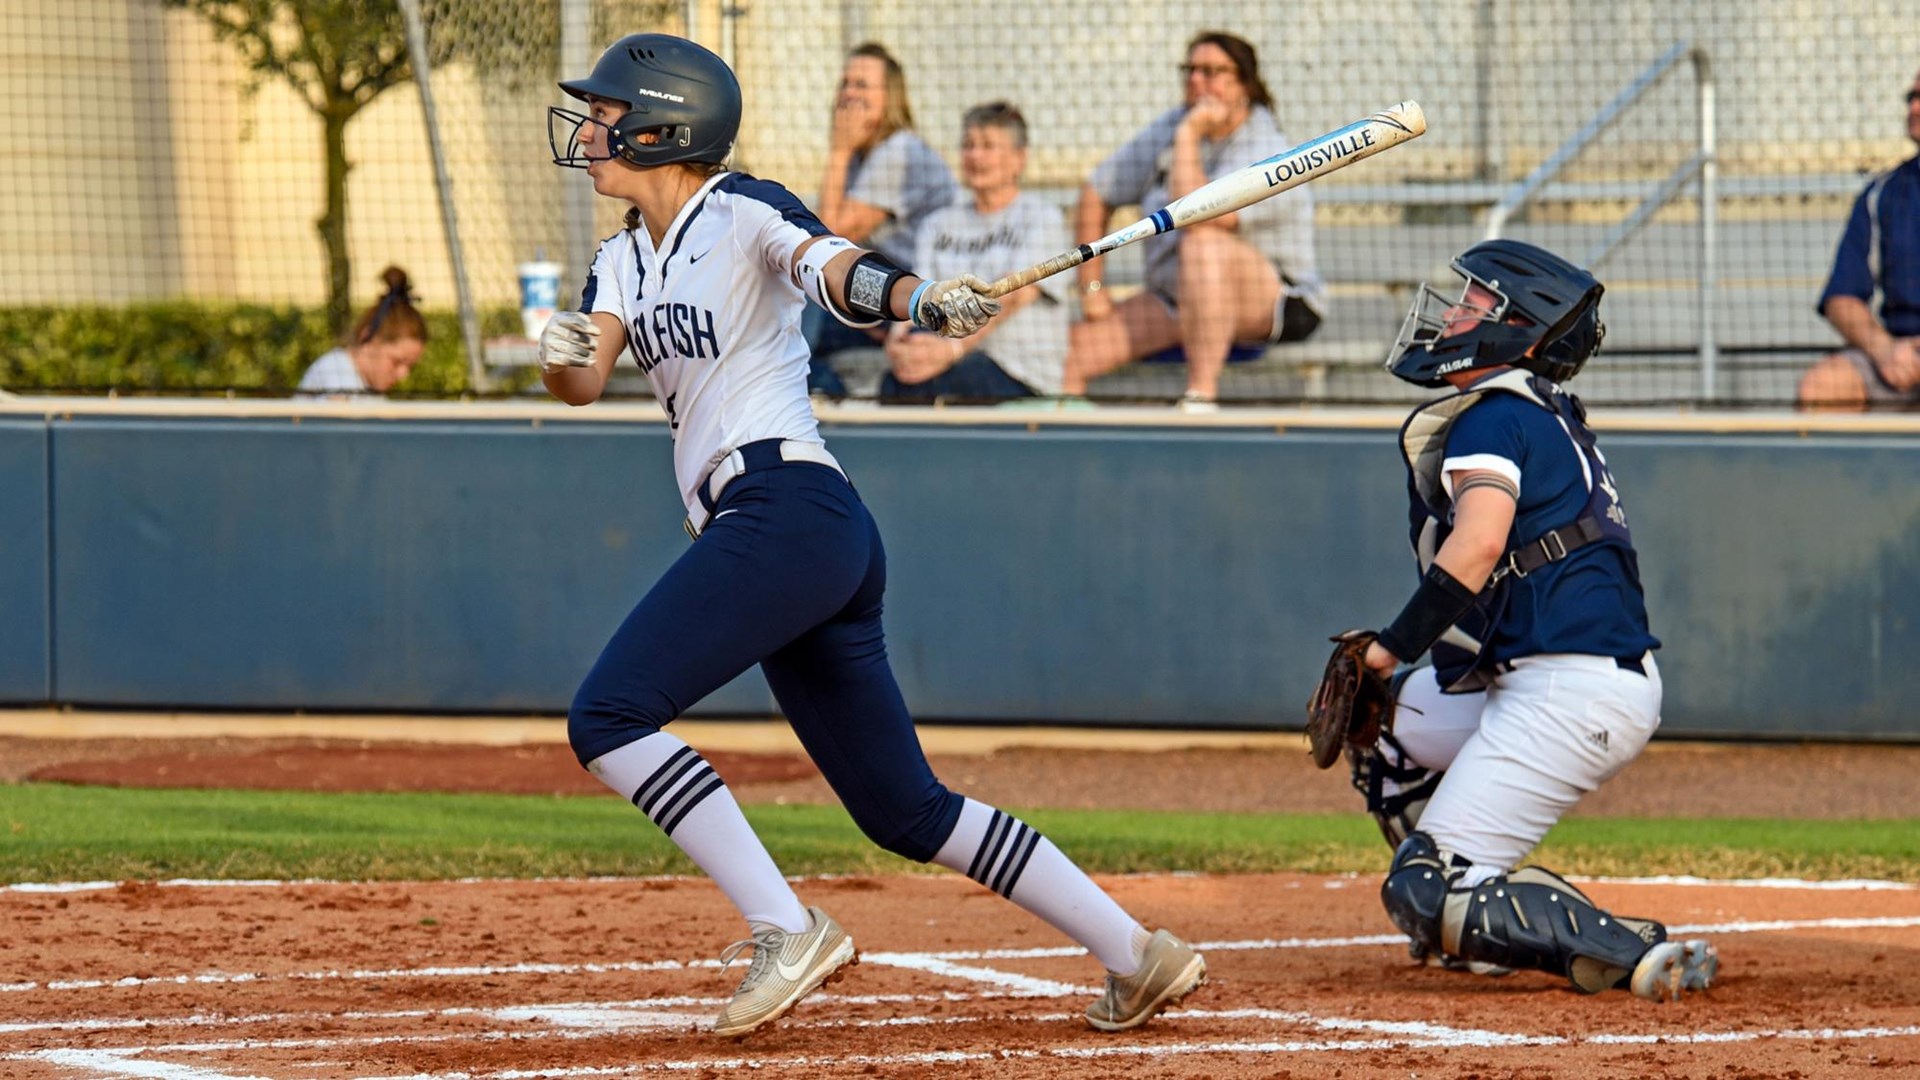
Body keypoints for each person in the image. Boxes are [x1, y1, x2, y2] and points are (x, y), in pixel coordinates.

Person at [540, 33, 1206, 1037]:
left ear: (661, 124)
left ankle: (785, 927)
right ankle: (1136, 953)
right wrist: (559, 347)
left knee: (609, 716)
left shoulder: (742, 210)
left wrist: (917, 297)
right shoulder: (620, 259)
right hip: (790, 533)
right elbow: (582, 378)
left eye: (604, 112)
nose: (589, 130)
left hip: (789, 511)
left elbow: (833, 268)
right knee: (906, 812)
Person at [1336, 239, 1718, 1001]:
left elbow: (1477, 546)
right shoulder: (1535, 414)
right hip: (1547, 678)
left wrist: (1390, 647)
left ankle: (1625, 947)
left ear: (1518, 328)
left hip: (1569, 694)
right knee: (1388, 728)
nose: (1454, 313)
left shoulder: (1496, 417)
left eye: (1476, 301)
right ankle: (1471, 919)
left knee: (1421, 888)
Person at [1063, 31, 1325, 411]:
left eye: (1212, 72)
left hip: (1277, 299)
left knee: (1203, 245)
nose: (1196, 81)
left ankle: (1200, 396)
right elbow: (1096, 192)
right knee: (1070, 354)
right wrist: (1092, 292)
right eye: (1190, 70)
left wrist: (1189, 135)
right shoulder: (1169, 125)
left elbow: (1199, 215)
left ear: (1244, 85)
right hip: (1177, 299)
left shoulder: (1264, 144)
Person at [880, 102, 1067, 404]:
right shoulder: (938, 223)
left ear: (1019, 159)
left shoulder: (1042, 218)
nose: (975, 156)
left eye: (988, 146)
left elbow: (1012, 295)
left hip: (1016, 370)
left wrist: (953, 349)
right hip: (943, 357)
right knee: (894, 383)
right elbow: (918, 292)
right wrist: (898, 339)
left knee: (940, 387)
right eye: (968, 145)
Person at [805, 42, 960, 400]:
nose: (848, 93)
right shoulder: (866, 152)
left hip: (921, 293)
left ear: (889, 96)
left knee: (810, 290)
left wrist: (839, 149)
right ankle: (825, 392)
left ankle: (823, 397)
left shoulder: (898, 151)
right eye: (845, 83)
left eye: (862, 85)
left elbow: (830, 236)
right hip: (882, 287)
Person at [1797, 68, 1920, 410]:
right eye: (1911, 98)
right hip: (1902, 353)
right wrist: (1885, 351)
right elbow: (1842, 298)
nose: (1913, 108)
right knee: (1822, 388)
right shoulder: (1883, 194)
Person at [295, 266, 426, 398]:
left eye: (410, 367)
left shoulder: (372, 391)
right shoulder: (336, 374)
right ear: (367, 338)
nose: (403, 375)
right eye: (396, 361)